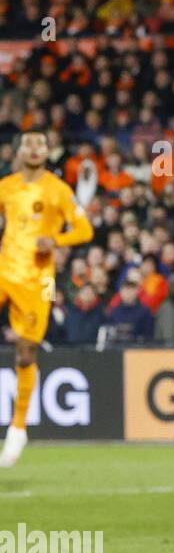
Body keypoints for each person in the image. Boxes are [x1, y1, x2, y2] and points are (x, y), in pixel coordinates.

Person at [0, 132, 93, 467]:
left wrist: (55, 239)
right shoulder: (6, 186)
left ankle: (19, 427)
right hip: (4, 271)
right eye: (29, 144)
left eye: (41, 144)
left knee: (26, 352)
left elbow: (85, 230)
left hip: (39, 281)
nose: (35, 149)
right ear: (19, 150)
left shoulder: (58, 189)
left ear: (46, 151)